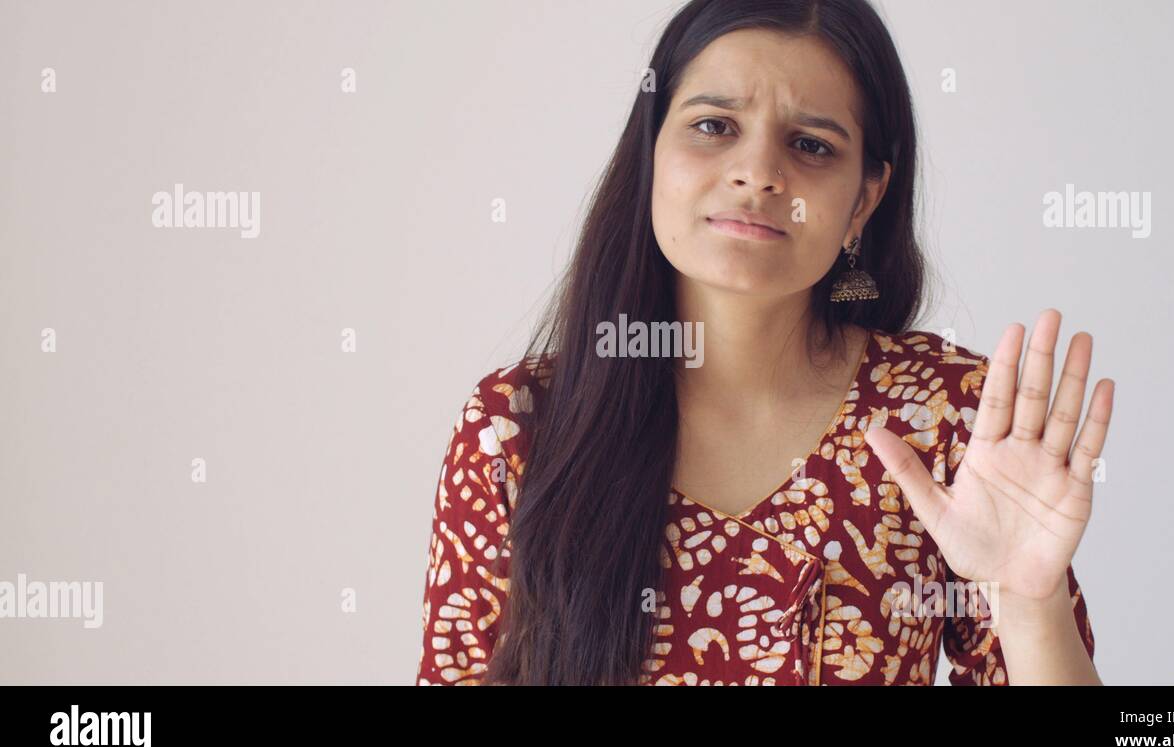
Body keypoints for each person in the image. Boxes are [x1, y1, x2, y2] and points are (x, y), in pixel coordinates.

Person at [417, 0, 1113, 686]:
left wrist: (1028, 604)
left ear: (863, 203)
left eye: (811, 145)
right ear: (651, 150)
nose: (758, 172)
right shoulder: (515, 429)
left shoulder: (942, 420)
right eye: (715, 126)